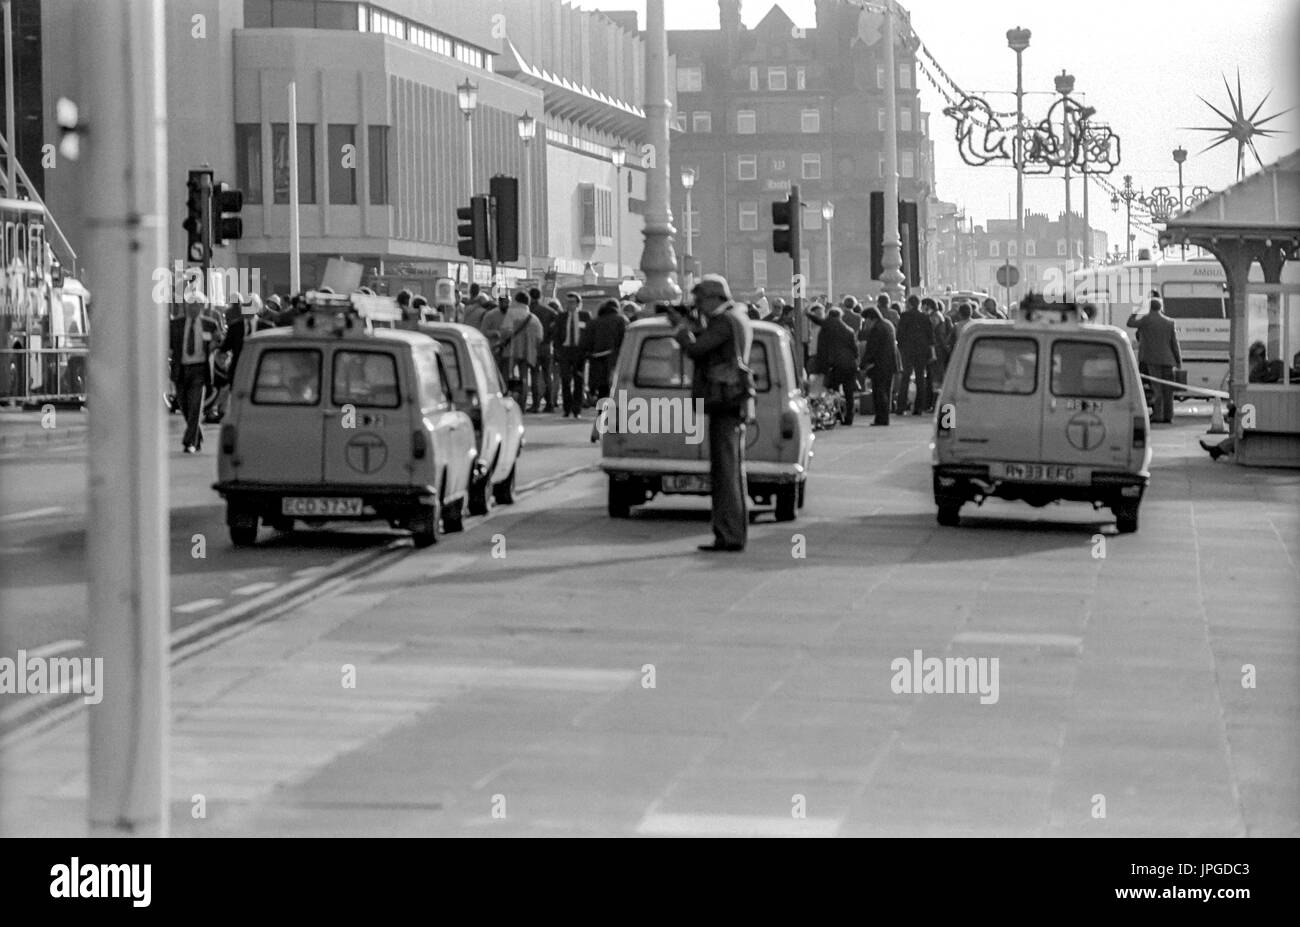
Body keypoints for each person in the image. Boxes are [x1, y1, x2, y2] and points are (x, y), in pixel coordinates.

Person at [670, 274, 753, 552]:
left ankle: (729, 535)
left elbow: (697, 349)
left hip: (725, 401)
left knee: (726, 472)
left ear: (716, 297)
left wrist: (682, 330)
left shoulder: (724, 322)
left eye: (701, 299)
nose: (698, 305)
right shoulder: (736, 318)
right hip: (730, 401)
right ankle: (729, 532)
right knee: (729, 470)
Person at [1200, 341, 1285, 460]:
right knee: (1243, 430)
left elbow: (1254, 395)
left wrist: (1236, 407)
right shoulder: (1268, 369)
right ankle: (1218, 449)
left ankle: (1218, 450)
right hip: (1263, 410)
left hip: (1262, 412)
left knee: (1244, 431)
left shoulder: (1261, 372)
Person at [169, 293, 222, 453]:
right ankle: (197, 434)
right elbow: (169, 344)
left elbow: (219, 340)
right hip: (181, 369)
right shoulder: (176, 324)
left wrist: (215, 344)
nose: (192, 308)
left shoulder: (210, 324)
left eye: (196, 305)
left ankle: (189, 442)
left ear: (202, 306)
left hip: (199, 370)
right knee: (184, 406)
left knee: (195, 406)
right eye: (189, 305)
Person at [1126, 296, 1182, 423]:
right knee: (1168, 389)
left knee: (1157, 389)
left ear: (1149, 308)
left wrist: (1138, 310)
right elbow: (1174, 343)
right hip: (1168, 360)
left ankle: (1158, 415)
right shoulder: (1169, 322)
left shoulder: (1146, 320)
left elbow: (1129, 323)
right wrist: (1178, 360)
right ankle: (1169, 415)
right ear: (1161, 307)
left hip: (1151, 359)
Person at [815, 306, 860, 426]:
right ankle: (849, 418)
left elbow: (822, 349)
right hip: (849, 364)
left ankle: (836, 415)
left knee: (832, 391)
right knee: (849, 393)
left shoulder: (826, 328)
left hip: (835, 365)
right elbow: (855, 350)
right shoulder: (849, 330)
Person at [499, 291, 544, 406]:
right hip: (527, 352)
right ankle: (522, 403)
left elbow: (504, 332)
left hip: (511, 351)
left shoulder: (510, 313)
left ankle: (508, 401)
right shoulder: (533, 318)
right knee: (524, 377)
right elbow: (539, 337)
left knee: (508, 377)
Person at [859, 305, 899, 426]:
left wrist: (863, 364)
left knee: (879, 392)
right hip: (890, 364)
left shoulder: (876, 329)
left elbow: (872, 349)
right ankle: (885, 417)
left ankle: (880, 418)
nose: (866, 323)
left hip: (879, 365)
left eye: (866, 320)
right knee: (886, 391)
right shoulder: (888, 324)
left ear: (871, 318)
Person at [895, 294, 934, 415]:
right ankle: (918, 408)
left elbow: (899, 334)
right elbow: (930, 336)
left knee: (905, 377)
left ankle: (901, 407)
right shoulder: (924, 317)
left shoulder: (904, 316)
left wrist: (901, 346)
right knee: (920, 378)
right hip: (921, 350)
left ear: (910, 304)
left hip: (907, 350)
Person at [554, 292, 591, 417]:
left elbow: (588, 334)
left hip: (579, 352)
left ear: (578, 304)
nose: (569, 305)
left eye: (572, 302)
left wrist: (586, 351)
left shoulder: (585, 316)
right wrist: (557, 351)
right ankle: (566, 408)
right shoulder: (561, 317)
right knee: (565, 380)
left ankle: (577, 409)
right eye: (567, 302)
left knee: (578, 380)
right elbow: (557, 335)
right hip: (565, 351)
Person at [582, 298, 627, 401]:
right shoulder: (620, 320)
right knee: (612, 387)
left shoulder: (593, 322)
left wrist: (587, 355)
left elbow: (586, 342)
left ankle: (601, 411)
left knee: (601, 388)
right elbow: (624, 339)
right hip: (613, 359)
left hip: (596, 359)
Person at [529, 289, 558, 413]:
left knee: (535, 375)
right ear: (540, 296)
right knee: (547, 375)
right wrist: (550, 338)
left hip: (533, 346)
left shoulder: (528, 310)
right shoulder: (550, 311)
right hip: (546, 346)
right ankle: (550, 403)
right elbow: (557, 326)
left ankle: (536, 404)